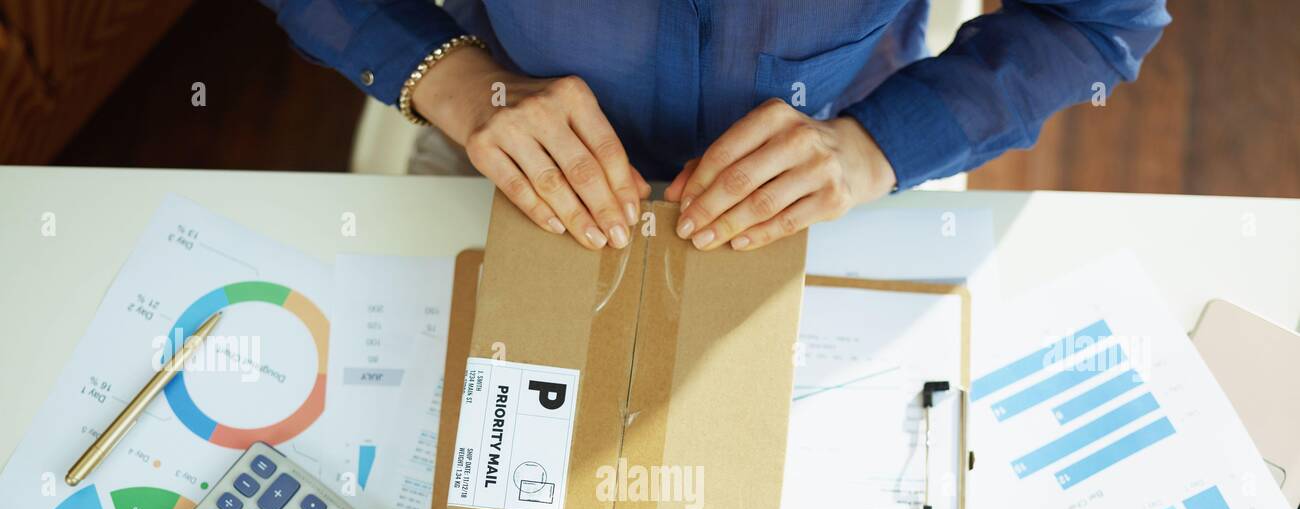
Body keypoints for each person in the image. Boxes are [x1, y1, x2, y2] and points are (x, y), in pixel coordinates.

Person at [262, 1, 1168, 252]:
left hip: (841, 167)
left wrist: (876, 147)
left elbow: (1097, 20)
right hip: (494, 133)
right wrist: (453, 80)